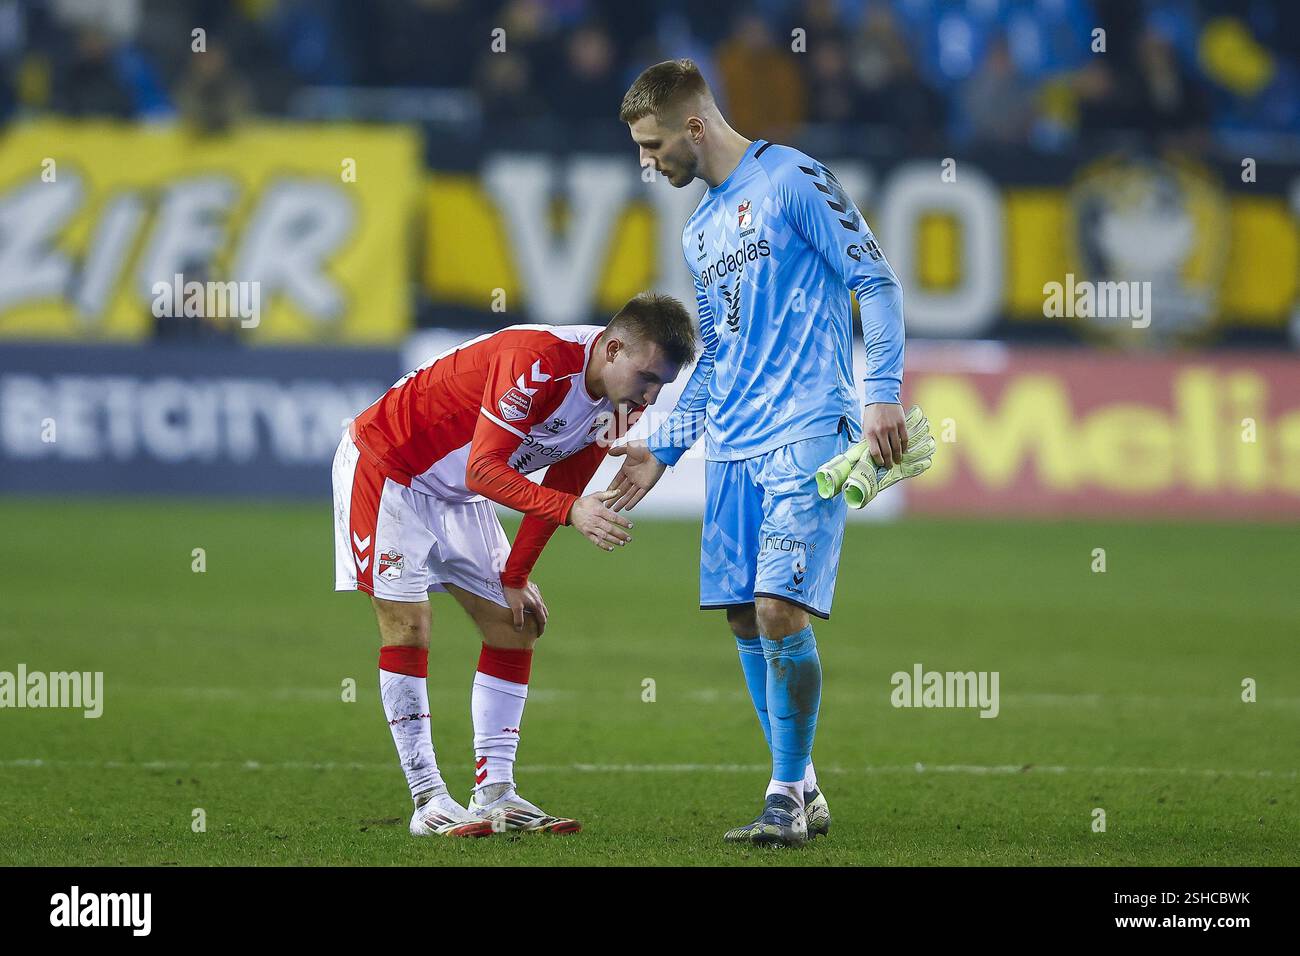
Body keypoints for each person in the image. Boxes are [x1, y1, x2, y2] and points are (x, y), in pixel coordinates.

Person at [609, 59, 908, 847]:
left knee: (780, 607)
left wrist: (881, 389)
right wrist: (663, 447)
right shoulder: (701, 229)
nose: (647, 162)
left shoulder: (795, 180)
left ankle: (780, 794)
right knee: (745, 616)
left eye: (651, 145)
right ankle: (802, 782)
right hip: (734, 446)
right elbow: (719, 358)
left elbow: (874, 283)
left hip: (808, 430)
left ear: (694, 127)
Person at [333, 293, 696, 837]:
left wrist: (516, 577)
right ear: (613, 347)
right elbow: (486, 471)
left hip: (457, 492)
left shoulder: (625, 402)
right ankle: (429, 799)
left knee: (516, 622)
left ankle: (495, 794)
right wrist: (573, 513)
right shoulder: (538, 361)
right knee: (409, 624)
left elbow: (566, 482)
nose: (651, 395)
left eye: (661, 385)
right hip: (389, 466)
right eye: (647, 378)